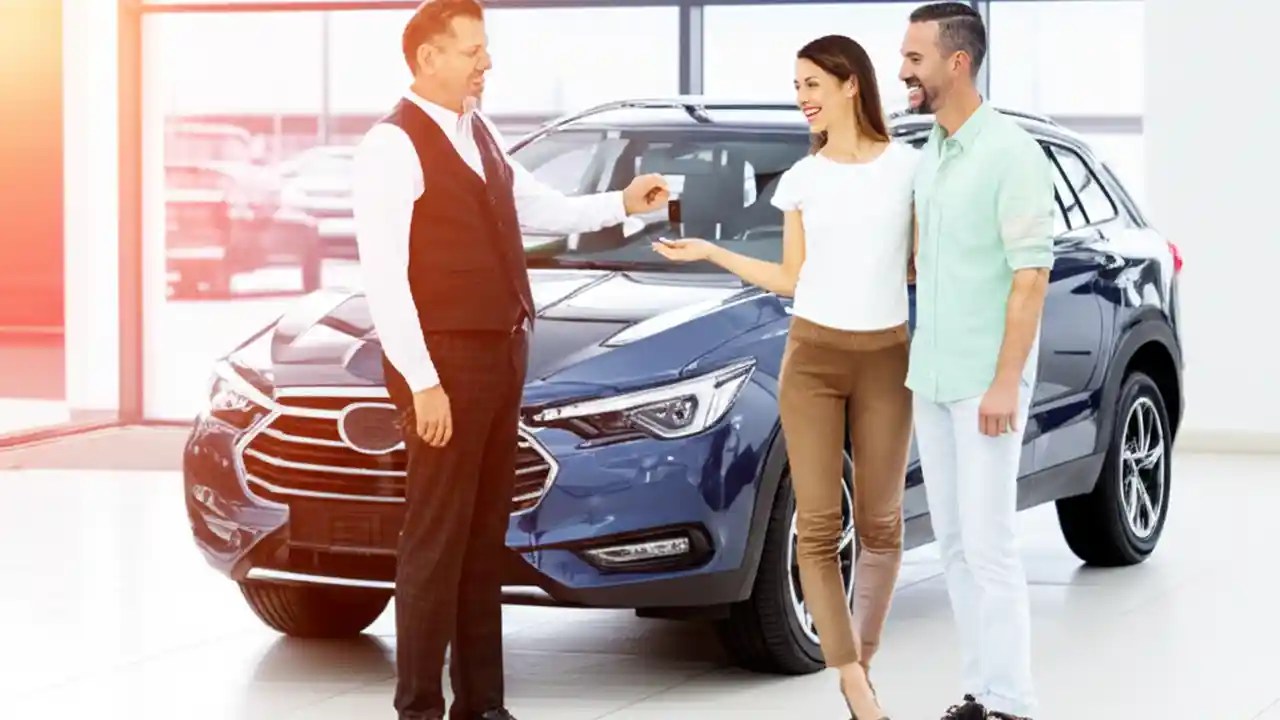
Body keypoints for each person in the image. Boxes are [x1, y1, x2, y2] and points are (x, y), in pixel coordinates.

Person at [351, 2, 669, 718]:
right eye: (472, 51)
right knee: (435, 541)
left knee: (482, 536)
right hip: (444, 366)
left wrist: (625, 202)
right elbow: (387, 280)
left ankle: (483, 706)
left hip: (500, 354)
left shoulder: (479, 132)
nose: (485, 63)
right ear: (428, 58)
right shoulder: (391, 147)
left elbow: (545, 210)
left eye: (485, 50)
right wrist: (424, 384)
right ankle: (420, 708)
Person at [654, 34, 918, 720]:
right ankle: (854, 683)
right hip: (812, 358)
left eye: (810, 84)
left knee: (883, 524)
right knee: (819, 528)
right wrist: (712, 251)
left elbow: (921, 265)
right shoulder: (802, 179)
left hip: (887, 355)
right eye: (796, 86)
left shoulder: (909, 169)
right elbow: (790, 278)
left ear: (850, 84)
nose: (801, 98)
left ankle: (860, 654)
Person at [898, 4, 1056, 719]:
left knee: (990, 546)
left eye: (915, 58)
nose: (903, 70)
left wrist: (1003, 382)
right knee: (955, 544)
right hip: (931, 375)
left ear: (956, 63)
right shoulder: (933, 147)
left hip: (984, 380)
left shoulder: (1011, 153)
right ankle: (980, 691)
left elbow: (1030, 278)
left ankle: (1013, 703)